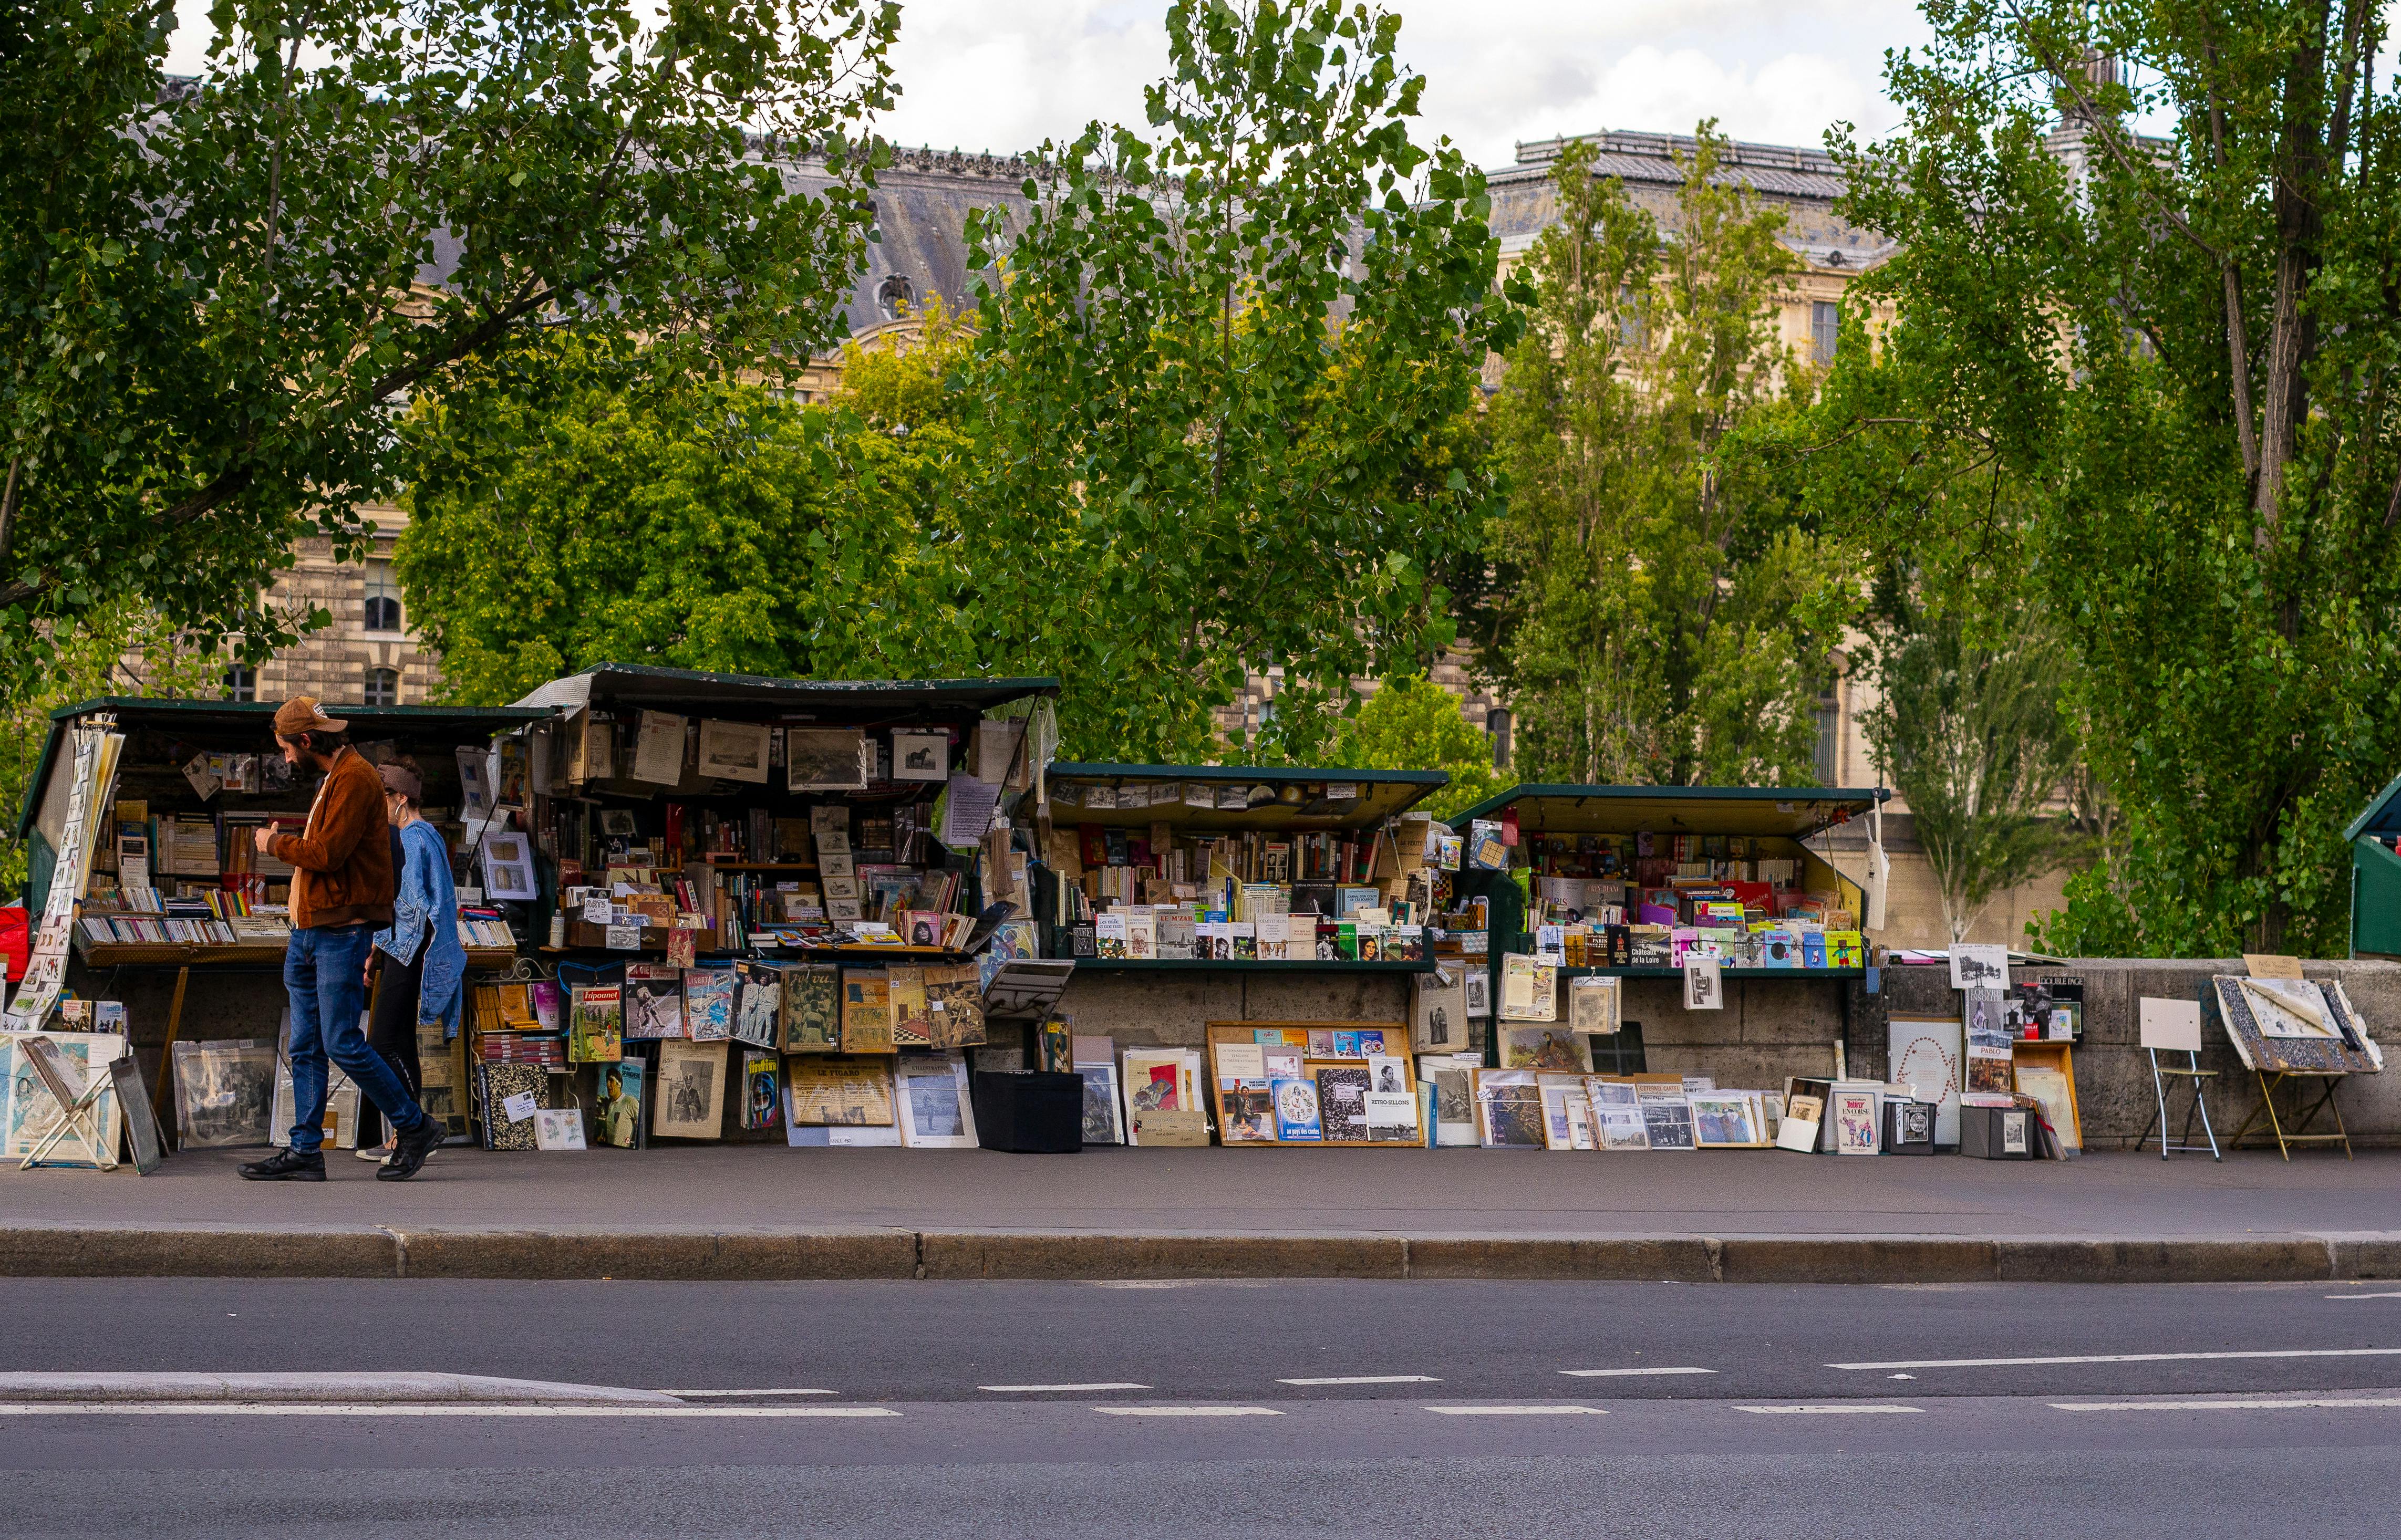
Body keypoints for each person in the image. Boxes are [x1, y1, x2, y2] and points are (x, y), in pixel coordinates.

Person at [239, 699, 445, 1182]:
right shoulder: (335, 778)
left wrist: (273, 844)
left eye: (288, 750)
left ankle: (414, 1127)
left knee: (342, 1042)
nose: (287, 759)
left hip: (338, 932)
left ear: (308, 742)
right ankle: (307, 1151)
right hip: (311, 931)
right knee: (307, 1045)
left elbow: (326, 854)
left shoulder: (355, 778)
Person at [356, 757, 465, 1162]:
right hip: (408, 950)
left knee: (382, 1043)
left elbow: (412, 907)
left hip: (408, 951)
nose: (378, 804)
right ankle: (405, 1136)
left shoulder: (413, 838)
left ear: (401, 798)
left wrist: (380, 946)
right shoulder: (429, 834)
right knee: (401, 1043)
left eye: (382, 796)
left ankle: (415, 1131)